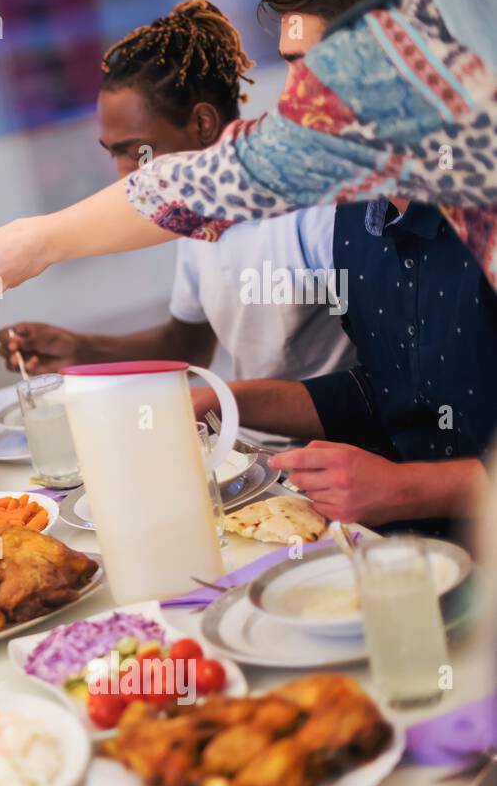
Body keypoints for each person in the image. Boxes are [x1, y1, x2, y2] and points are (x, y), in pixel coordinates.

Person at [0, 0, 497, 325]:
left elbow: (219, 180)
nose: (297, 99)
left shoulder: (407, 69)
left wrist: (35, 241)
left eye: (312, 67)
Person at [0, 0, 359, 387]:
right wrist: (79, 349)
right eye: (114, 155)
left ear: (203, 124)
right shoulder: (190, 223)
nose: (127, 181)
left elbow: (376, 378)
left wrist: (36, 242)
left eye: (139, 154)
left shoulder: (317, 208)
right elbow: (188, 343)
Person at [191, 196, 494, 534]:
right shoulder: (353, 219)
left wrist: (404, 488)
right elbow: (387, 385)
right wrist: (227, 402)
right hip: (415, 545)